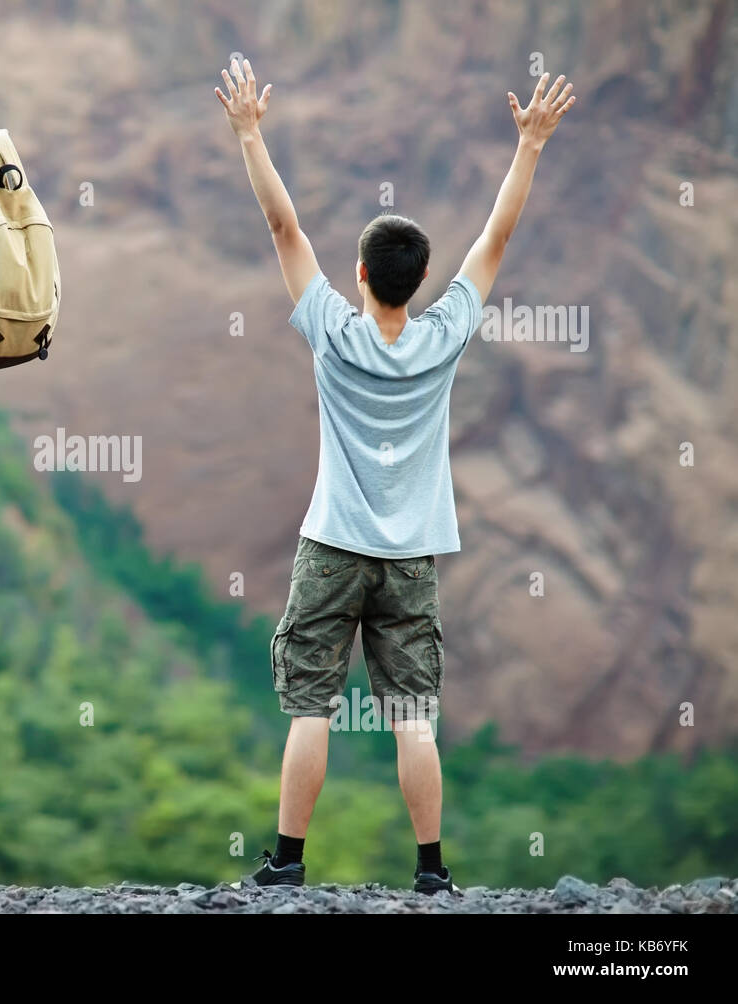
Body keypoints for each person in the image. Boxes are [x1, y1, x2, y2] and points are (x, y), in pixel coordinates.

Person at [215, 57, 575, 892]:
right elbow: (496, 240)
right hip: (412, 556)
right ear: (417, 283)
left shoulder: (333, 334)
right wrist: (530, 147)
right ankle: (432, 874)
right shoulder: (443, 335)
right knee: (415, 719)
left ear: (364, 277)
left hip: (332, 544)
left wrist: (248, 132)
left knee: (312, 707)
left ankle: (287, 865)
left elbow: (284, 231)